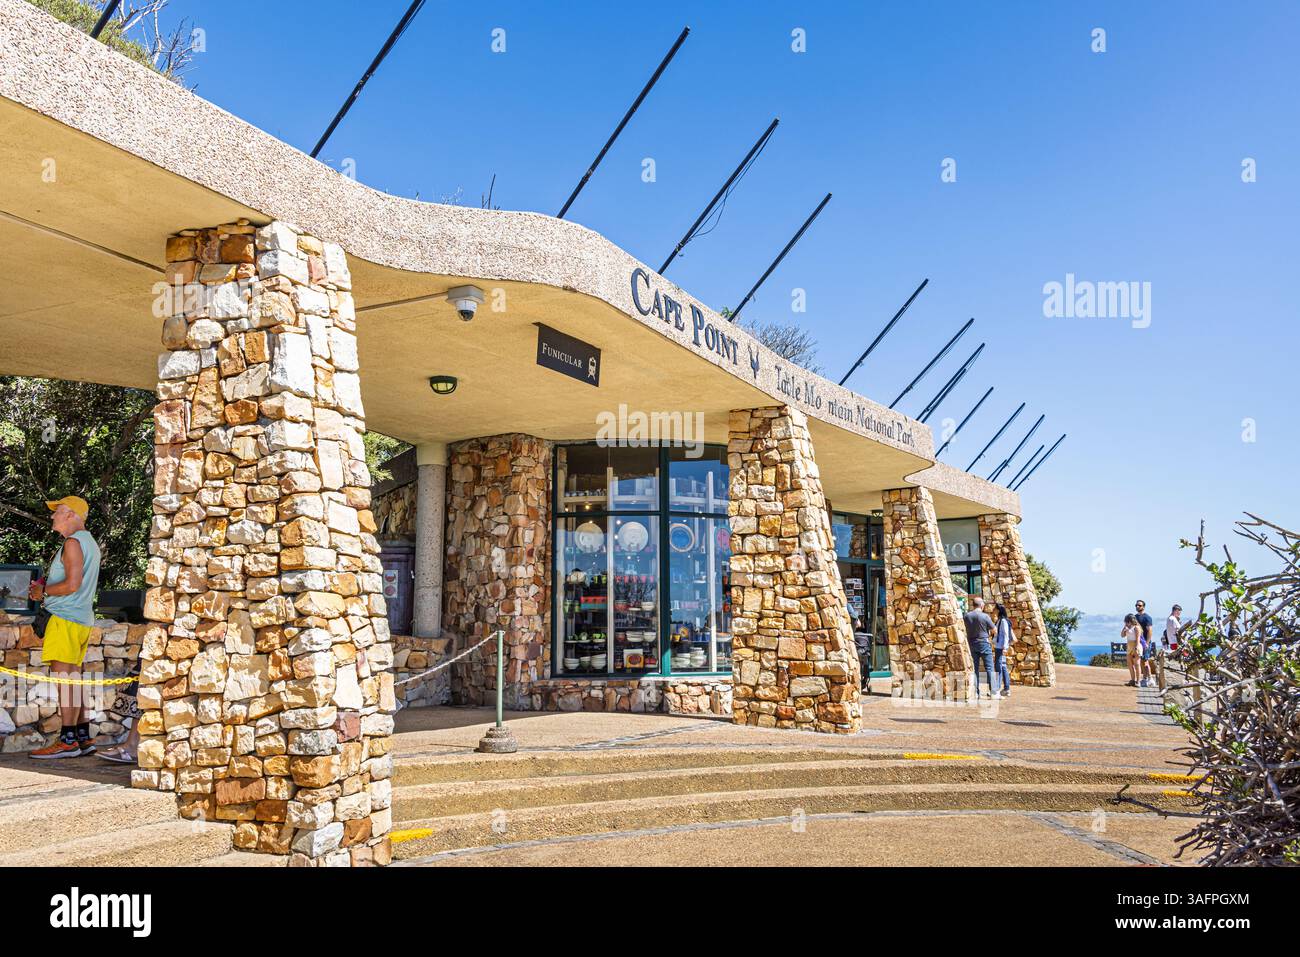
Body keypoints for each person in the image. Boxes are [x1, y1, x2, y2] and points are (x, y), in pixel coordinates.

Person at [27, 495, 102, 759]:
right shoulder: (90, 543)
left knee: (65, 681)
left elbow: (72, 585)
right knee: (74, 679)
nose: (52, 516)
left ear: (71, 514)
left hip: (65, 619)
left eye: (57, 511)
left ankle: (67, 740)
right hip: (81, 619)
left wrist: (42, 592)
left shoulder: (72, 543)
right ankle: (83, 736)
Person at [962, 597, 996, 699]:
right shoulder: (985, 616)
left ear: (973, 605)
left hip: (972, 643)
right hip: (984, 643)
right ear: (982, 605)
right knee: (990, 668)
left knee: (975, 669)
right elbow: (995, 630)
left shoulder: (967, 616)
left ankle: (976, 693)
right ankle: (993, 693)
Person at [993, 603, 1014, 698]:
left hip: (1000, 647)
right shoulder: (1000, 620)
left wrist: (1005, 648)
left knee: (999, 667)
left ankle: (997, 689)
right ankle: (1006, 689)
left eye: (995, 609)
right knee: (1003, 667)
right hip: (1000, 646)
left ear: (998, 610)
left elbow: (1005, 635)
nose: (993, 610)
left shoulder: (1003, 621)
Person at [1134, 599, 1155, 688]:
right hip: (1138, 643)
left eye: (1139, 605)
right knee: (1141, 661)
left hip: (1145, 642)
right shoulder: (1134, 617)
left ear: (1143, 607)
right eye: (1136, 605)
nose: (1137, 607)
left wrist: (1147, 642)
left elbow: (1150, 630)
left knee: (1145, 661)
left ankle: (1150, 679)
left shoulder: (1147, 617)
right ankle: (1144, 678)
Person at [852, 616, 873, 692]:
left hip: (857, 653)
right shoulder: (866, 636)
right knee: (866, 663)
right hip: (865, 652)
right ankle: (866, 678)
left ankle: (858, 681)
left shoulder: (855, 635)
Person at [1121, 613, 1141, 686]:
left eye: (1127, 621)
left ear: (1131, 621)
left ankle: (1138, 681)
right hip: (1129, 645)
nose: (1126, 623)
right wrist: (1124, 629)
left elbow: (1138, 638)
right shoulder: (1127, 627)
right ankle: (1133, 680)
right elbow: (1122, 635)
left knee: (1137, 664)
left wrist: (1137, 647)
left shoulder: (1136, 627)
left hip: (1135, 645)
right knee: (1130, 664)